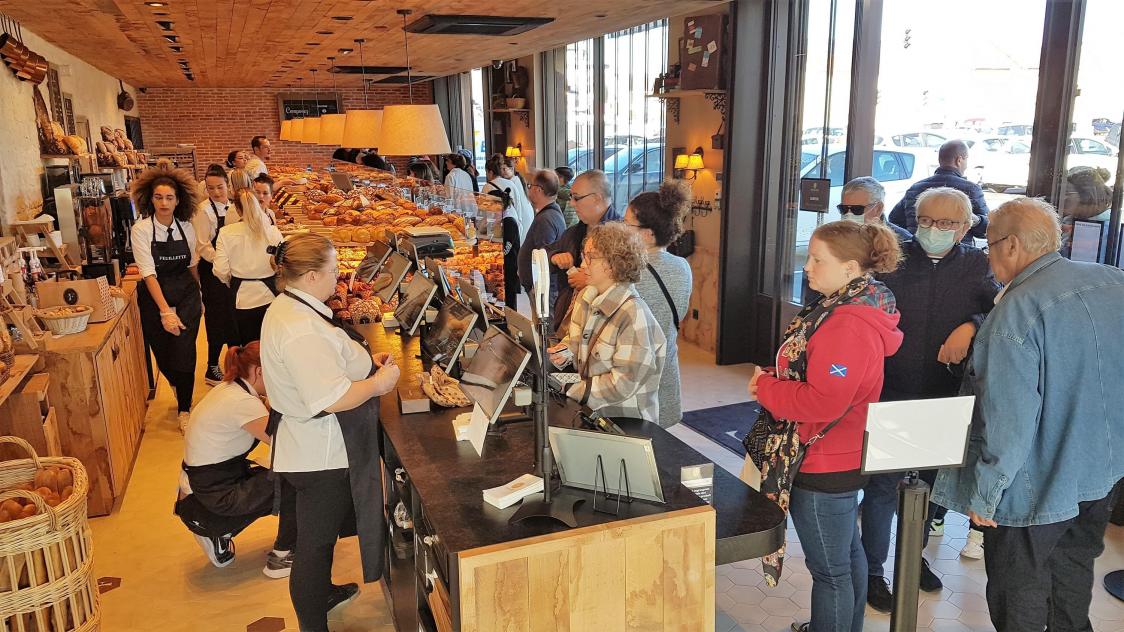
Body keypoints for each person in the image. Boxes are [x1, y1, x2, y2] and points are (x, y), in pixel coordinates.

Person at [932, 197, 1124, 632]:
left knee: (1018, 590)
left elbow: (1009, 420)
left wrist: (985, 494)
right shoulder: (1112, 280)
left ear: (1013, 245)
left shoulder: (1014, 313)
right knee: (1072, 573)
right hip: (1103, 473)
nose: (988, 256)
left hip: (1036, 483)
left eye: (990, 245)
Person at [750, 221, 903, 632]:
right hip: (840, 451)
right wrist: (777, 376)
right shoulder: (845, 305)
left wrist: (765, 387)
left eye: (819, 260)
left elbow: (824, 400)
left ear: (851, 267)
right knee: (847, 555)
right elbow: (813, 373)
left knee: (830, 571)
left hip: (824, 460)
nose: (808, 267)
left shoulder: (847, 323)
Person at [859, 187, 1000, 613]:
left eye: (945, 224)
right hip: (892, 390)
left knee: (929, 488)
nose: (933, 230)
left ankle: (912, 557)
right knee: (883, 488)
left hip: (945, 393)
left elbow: (999, 309)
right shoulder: (894, 259)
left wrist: (972, 324)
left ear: (965, 227)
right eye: (925, 221)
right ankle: (872, 572)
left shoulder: (978, 266)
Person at [260, 233, 401, 632]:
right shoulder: (299, 328)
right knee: (315, 545)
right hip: (319, 453)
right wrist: (378, 383)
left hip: (310, 446)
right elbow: (331, 397)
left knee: (318, 540)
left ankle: (320, 593)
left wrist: (363, 362)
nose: (338, 278)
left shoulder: (292, 307)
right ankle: (312, 621)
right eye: (333, 271)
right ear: (309, 277)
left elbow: (323, 362)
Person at [174, 342, 296, 578]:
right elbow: (287, 441)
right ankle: (282, 557)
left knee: (276, 471)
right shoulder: (243, 403)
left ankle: (217, 531)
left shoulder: (229, 388)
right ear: (260, 371)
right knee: (296, 477)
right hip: (214, 496)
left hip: (201, 488)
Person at [549, 223, 666, 422]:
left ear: (614, 264)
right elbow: (575, 342)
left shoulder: (633, 316)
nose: (583, 264)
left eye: (590, 257)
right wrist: (558, 354)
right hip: (591, 410)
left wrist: (571, 388)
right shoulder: (586, 296)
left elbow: (622, 385)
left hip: (625, 421)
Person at [129, 165, 203, 432]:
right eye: (159, 197)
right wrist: (164, 311)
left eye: (169, 197)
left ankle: (185, 408)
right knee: (163, 353)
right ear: (150, 198)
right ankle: (176, 381)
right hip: (154, 294)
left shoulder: (186, 226)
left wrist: (200, 293)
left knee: (184, 350)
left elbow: (193, 263)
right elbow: (148, 273)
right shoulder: (141, 230)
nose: (164, 203)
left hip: (186, 293)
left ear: (178, 200)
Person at [624, 181, 693, 428]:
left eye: (627, 224)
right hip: (666, 370)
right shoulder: (682, 267)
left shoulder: (630, 272)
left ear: (647, 234)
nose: (623, 230)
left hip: (634, 376)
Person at [547, 169, 624, 330]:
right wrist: (555, 257)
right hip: (571, 319)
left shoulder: (623, 236)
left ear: (597, 198)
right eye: (571, 197)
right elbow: (542, 255)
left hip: (603, 325)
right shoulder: (574, 232)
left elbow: (630, 280)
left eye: (576, 198)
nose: (572, 203)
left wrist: (591, 283)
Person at [214, 191, 284, 345]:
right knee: (271, 346)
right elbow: (282, 263)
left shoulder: (226, 233)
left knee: (247, 349)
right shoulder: (272, 231)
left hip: (241, 299)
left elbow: (220, 270)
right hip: (271, 297)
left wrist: (229, 281)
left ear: (237, 210)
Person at [192, 164, 240, 384]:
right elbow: (203, 246)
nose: (217, 192)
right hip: (212, 271)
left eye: (220, 187)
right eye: (211, 188)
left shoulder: (233, 207)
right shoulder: (203, 211)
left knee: (233, 317)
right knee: (216, 318)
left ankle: (234, 364)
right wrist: (223, 263)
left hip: (232, 270)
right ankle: (212, 367)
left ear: (227, 185)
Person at [889, 140, 989, 242]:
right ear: (959, 160)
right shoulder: (971, 189)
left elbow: (893, 220)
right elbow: (988, 229)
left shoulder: (915, 188)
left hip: (917, 253)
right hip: (959, 255)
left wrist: (910, 238)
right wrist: (977, 220)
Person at [518, 170, 566, 307]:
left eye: (530, 186)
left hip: (543, 291)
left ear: (538, 190)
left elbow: (544, 257)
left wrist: (537, 287)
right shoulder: (550, 212)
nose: (529, 189)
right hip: (541, 288)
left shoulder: (546, 219)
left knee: (545, 326)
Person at [482, 155, 522, 306]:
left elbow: (508, 247)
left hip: (510, 265)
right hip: (506, 265)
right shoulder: (503, 217)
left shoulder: (509, 221)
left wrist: (497, 255)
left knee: (510, 294)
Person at [837, 177, 911, 241]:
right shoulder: (835, 237)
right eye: (844, 209)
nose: (848, 215)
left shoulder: (903, 243)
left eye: (857, 209)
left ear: (878, 209)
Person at [501, 156, 535, 242]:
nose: (502, 172)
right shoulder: (516, 179)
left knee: (522, 241)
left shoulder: (512, 182)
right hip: (526, 213)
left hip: (523, 215)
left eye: (505, 169)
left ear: (512, 169)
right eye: (501, 169)